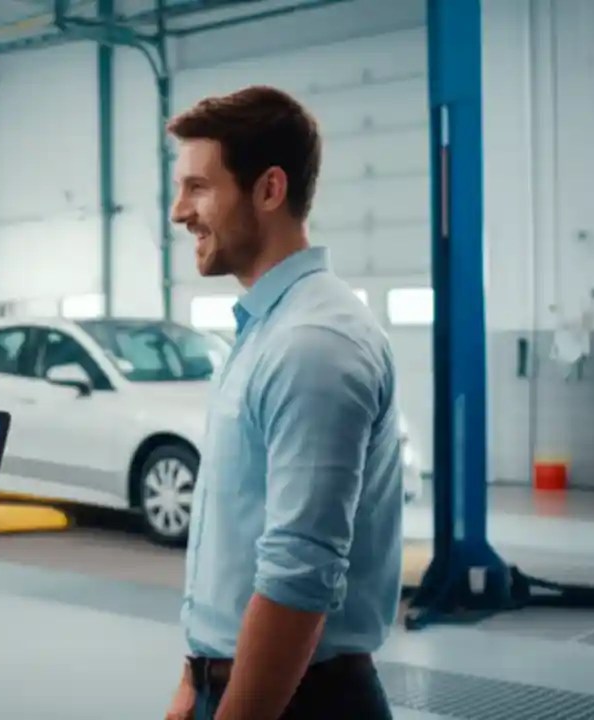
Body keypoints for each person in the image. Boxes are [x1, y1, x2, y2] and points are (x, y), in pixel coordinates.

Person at [162, 85, 403, 720]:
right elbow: (240, 543)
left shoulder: (312, 343)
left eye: (198, 188)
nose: (178, 211)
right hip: (242, 684)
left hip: (300, 701)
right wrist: (196, 675)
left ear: (269, 190)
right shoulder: (268, 327)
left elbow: (299, 574)